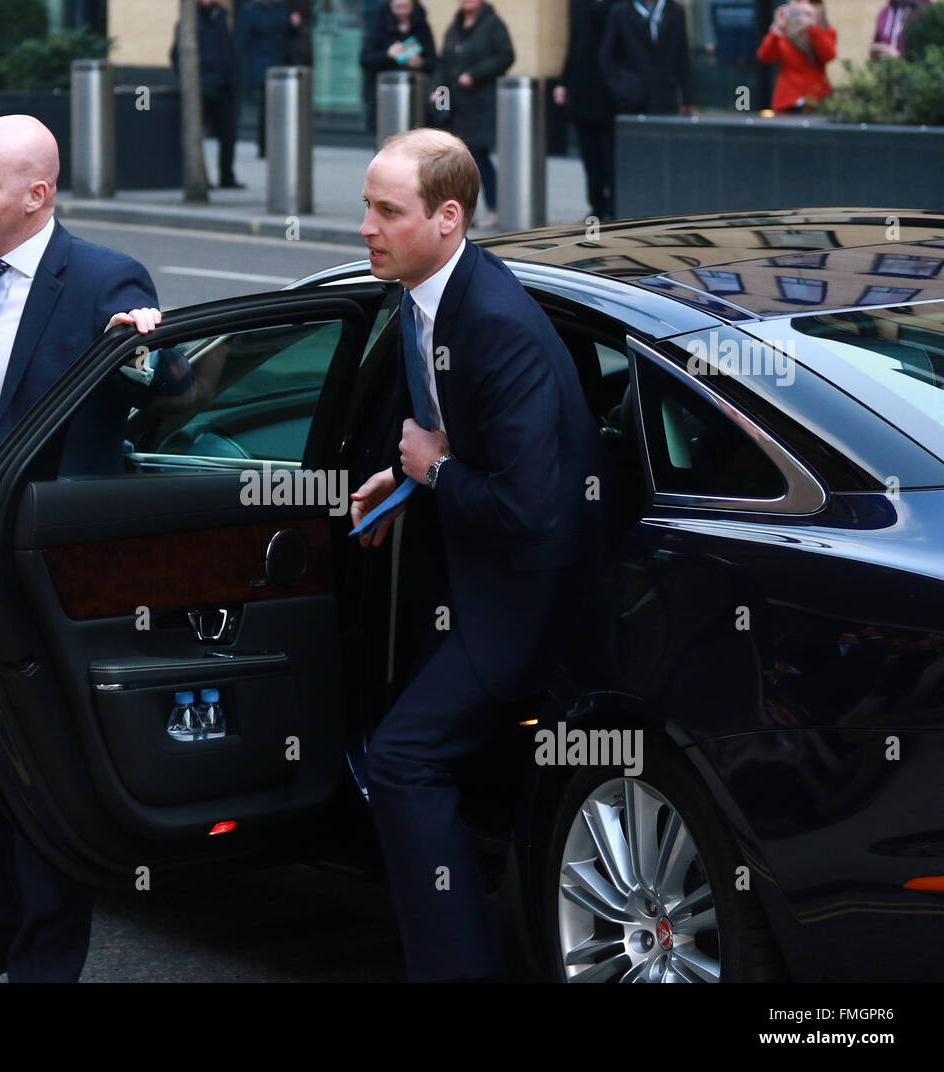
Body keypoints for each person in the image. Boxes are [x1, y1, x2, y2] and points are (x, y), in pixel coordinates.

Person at [0, 114, 163, 983]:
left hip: (34, 564)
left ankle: (46, 966)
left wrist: (153, 353)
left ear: (36, 195)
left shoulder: (99, 281)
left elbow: (162, 398)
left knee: (42, 775)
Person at [352, 128, 607, 982]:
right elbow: (475, 437)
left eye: (388, 211)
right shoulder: (428, 294)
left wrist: (435, 468)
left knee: (400, 759)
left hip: (521, 602)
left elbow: (532, 509)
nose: (367, 228)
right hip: (467, 578)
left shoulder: (495, 323)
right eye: (367, 207)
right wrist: (401, 479)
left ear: (449, 218)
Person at [432, 0, 514, 230]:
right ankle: (465, 212)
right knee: (458, 160)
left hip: (481, 103)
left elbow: (506, 56)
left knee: (479, 159)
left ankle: (495, 208)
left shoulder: (493, 24)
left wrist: (474, 74)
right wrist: (438, 88)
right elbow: (443, 63)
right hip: (456, 105)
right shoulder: (454, 27)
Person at [555, 0, 625, 221]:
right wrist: (563, 82)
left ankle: (614, 207)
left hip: (611, 92)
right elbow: (574, 44)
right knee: (589, 156)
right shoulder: (579, 4)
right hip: (582, 90)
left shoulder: (619, 6)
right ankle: (596, 205)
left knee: (610, 156)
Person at [171, 0, 243, 188]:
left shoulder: (223, 18)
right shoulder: (188, 22)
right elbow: (176, 55)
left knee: (228, 136)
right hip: (201, 87)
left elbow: (231, 50)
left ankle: (227, 177)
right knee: (196, 134)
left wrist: (231, 76)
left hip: (223, 86)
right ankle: (198, 176)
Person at [599, 0, 694, 115]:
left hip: (666, 96)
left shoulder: (675, 11)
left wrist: (687, 97)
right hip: (630, 98)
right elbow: (607, 55)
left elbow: (682, 56)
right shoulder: (620, 11)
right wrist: (621, 86)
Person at [360, 0, 438, 136]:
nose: (402, 7)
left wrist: (420, 63)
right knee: (385, 140)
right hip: (384, 96)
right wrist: (388, 54)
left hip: (416, 95)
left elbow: (433, 62)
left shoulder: (422, 27)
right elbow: (365, 59)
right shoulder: (379, 27)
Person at [235, 0, 300, 159]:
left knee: (281, 106)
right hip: (261, 65)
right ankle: (264, 145)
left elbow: (289, 34)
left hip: (281, 63)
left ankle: (279, 143)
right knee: (266, 107)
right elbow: (242, 39)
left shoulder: (281, 8)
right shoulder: (251, 10)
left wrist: (294, 25)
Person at [757, 1, 837, 112]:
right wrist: (777, 29)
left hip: (817, 97)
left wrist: (813, 28)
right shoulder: (783, 31)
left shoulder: (825, 30)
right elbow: (765, 56)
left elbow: (828, 55)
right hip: (787, 99)